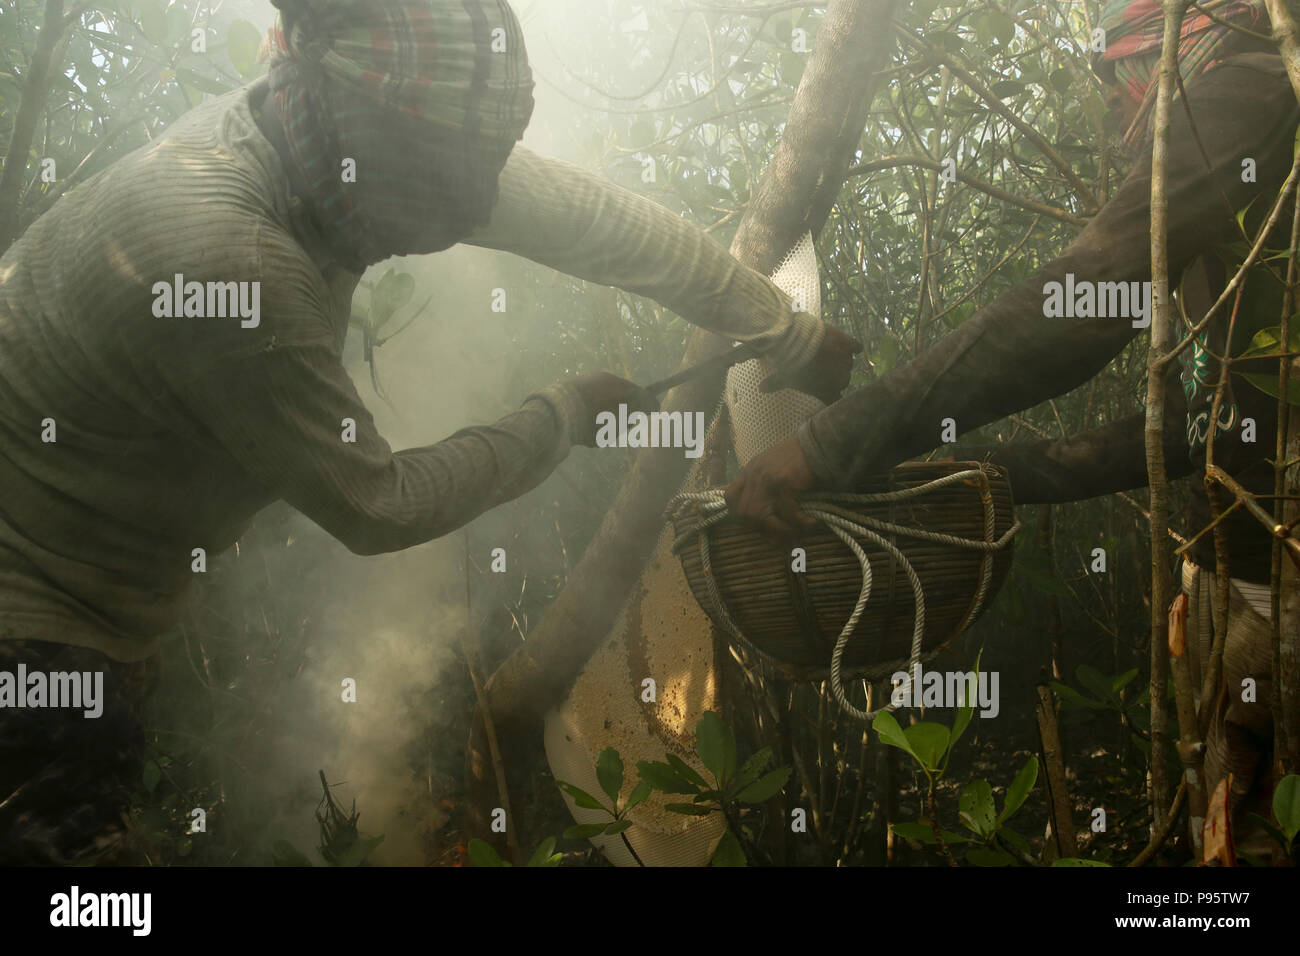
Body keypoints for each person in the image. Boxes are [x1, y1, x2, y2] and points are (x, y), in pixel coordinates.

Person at [0, 0, 856, 864]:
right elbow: (377, 505)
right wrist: (559, 416)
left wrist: (786, 329)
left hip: (96, 612)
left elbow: (597, 224)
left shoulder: (352, 140)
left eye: (481, 172)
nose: (471, 209)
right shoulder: (233, 261)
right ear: (370, 135)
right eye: (451, 182)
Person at [726, 0, 1294, 856]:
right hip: (1242, 570)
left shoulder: (1253, 90)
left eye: (1117, 90)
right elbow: (1194, 428)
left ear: (1173, 51)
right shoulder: (1235, 175)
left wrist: (831, 442)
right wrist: (980, 469)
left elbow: (1083, 303)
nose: (1113, 120)